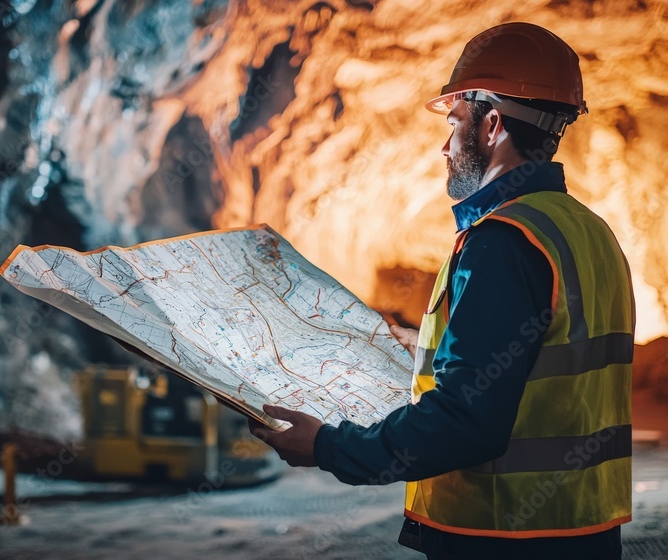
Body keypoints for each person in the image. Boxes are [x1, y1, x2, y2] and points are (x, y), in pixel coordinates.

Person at [249, 22, 635, 560]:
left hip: (502, 536)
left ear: (492, 124)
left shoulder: (503, 241)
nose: (443, 145)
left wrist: (327, 446)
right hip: (583, 531)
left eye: (454, 122)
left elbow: (466, 422)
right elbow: (540, 372)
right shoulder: (588, 232)